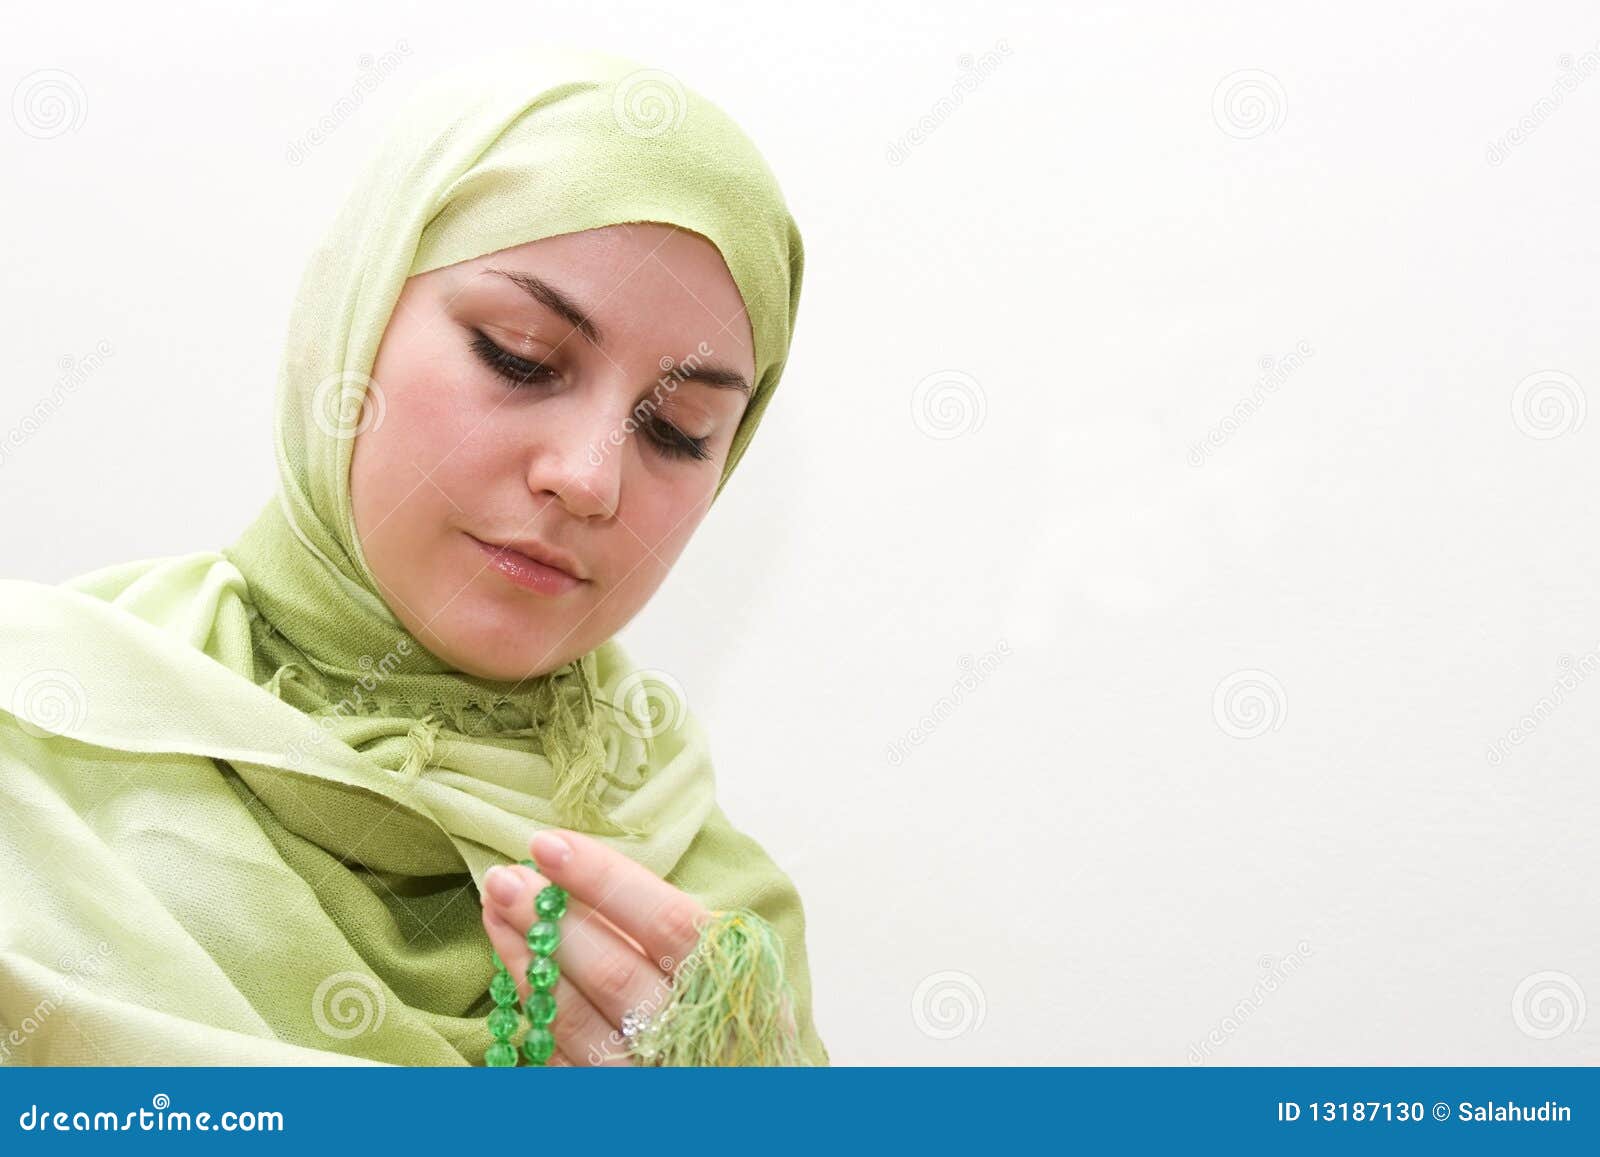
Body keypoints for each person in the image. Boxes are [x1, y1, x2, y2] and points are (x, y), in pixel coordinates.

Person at [0, 42, 825, 1067]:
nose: (588, 476)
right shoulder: (31, 735)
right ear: (354, 321)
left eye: (679, 431)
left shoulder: (707, 938)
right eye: (519, 355)